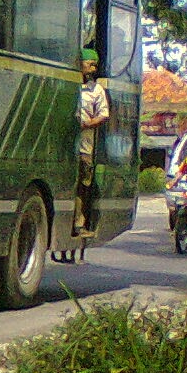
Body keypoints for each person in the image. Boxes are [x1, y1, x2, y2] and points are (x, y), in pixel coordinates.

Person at [74, 47, 109, 235]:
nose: (93, 69)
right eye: (90, 64)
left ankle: (78, 224)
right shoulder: (69, 84)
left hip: (84, 146)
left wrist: (88, 123)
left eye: (95, 65)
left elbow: (103, 114)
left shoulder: (97, 90)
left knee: (82, 185)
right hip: (64, 145)